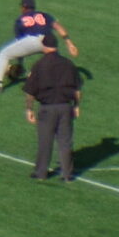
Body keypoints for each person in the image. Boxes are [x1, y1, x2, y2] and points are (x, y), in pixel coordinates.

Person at [24, 32, 83, 182]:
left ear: (44, 46)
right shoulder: (68, 64)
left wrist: (29, 109)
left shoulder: (39, 65)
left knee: (45, 141)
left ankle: (41, 173)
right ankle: (67, 174)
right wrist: (76, 106)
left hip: (47, 108)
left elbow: (30, 90)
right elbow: (77, 89)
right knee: (65, 142)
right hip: (65, 107)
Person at [0, 0, 76, 93]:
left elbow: (20, 43)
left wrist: (20, 64)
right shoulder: (44, 15)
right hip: (50, 41)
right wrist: (69, 43)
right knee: (55, 62)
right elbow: (58, 26)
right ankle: (61, 79)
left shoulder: (20, 19)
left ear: (23, 8)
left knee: (4, 54)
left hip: (32, 41)